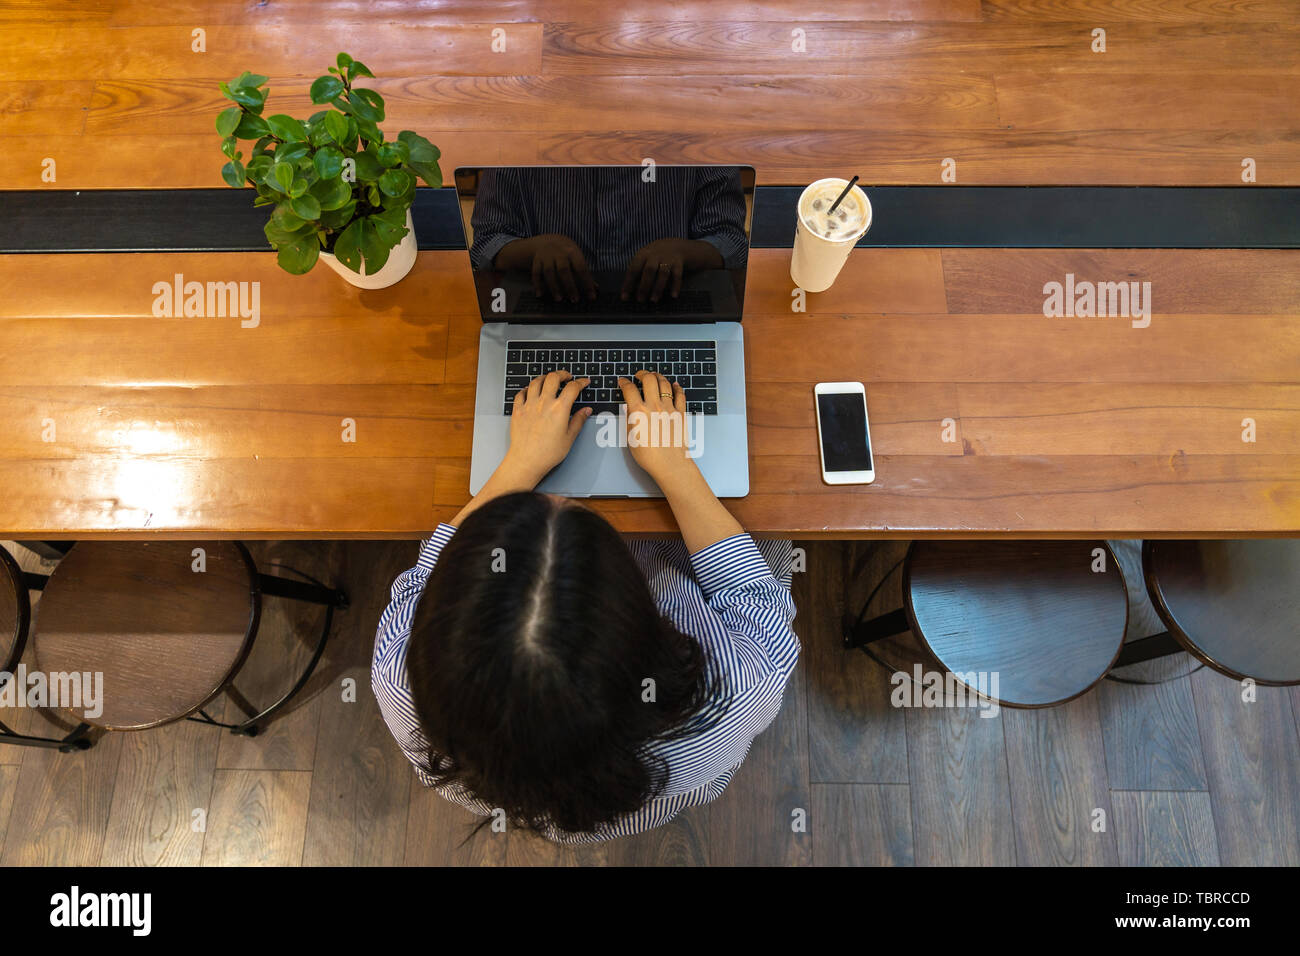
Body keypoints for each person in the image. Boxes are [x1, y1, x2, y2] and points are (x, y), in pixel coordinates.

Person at [372, 369, 798, 843]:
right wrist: (675, 466)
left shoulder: (399, 681)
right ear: (641, 621)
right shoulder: (733, 693)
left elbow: (421, 580)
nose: (559, 496)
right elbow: (758, 600)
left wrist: (521, 464)